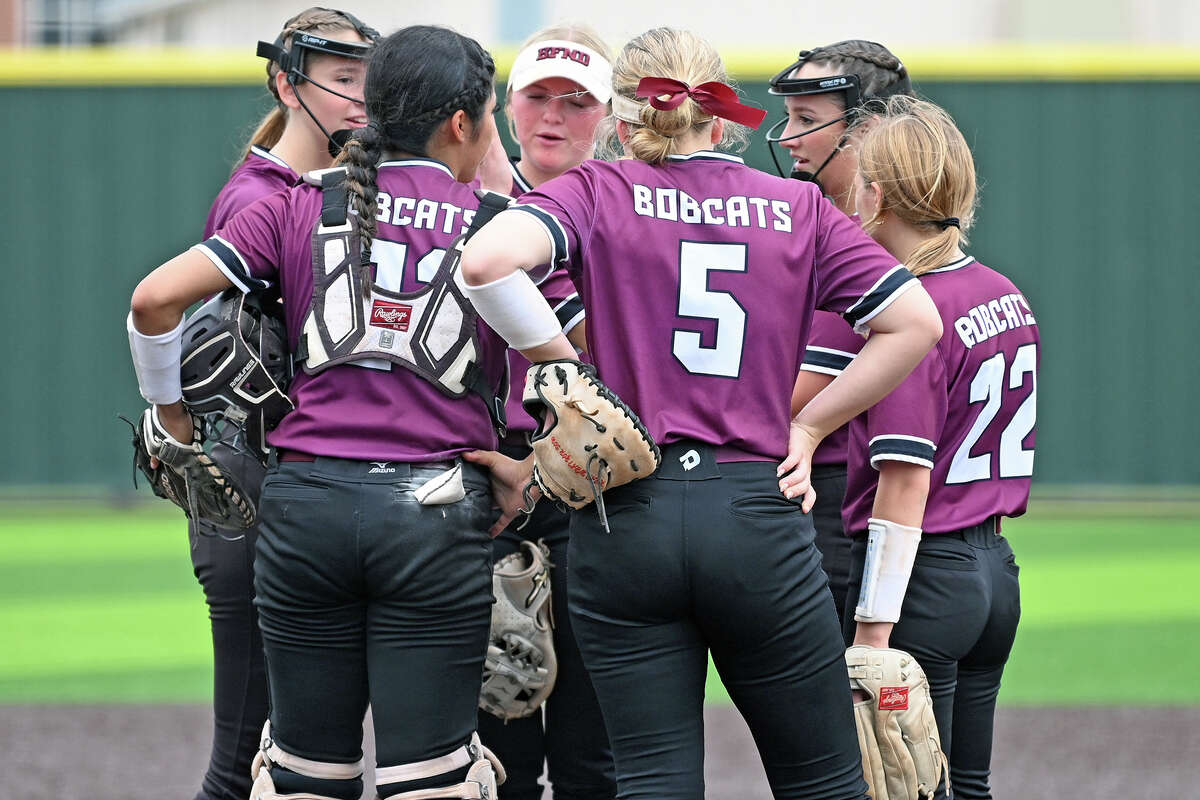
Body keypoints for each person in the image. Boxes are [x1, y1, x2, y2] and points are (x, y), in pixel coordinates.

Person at [459, 26, 944, 800]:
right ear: (720, 119)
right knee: (824, 781)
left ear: (623, 120)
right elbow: (915, 323)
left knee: (652, 780)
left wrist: (562, 367)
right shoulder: (795, 206)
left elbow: (484, 262)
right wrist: (812, 426)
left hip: (627, 518)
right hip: (755, 511)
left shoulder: (596, 190)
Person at [129, 25, 510, 800]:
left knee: (298, 775)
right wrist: (529, 466)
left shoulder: (292, 203)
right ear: (465, 122)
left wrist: (169, 420)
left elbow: (152, 299)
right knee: (432, 779)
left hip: (302, 506)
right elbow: (571, 361)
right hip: (433, 506)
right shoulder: (502, 222)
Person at [187, 9, 376, 800]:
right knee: (247, 764)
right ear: (285, 83)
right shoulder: (262, 199)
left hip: (301, 496)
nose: (360, 102)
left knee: (297, 755)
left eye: (371, 83)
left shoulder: (340, 189)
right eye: (340, 82)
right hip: (258, 488)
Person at [842, 96, 1038, 800]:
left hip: (927, 580)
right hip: (995, 575)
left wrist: (872, 632)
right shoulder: (1006, 293)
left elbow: (904, 480)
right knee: (969, 787)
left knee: (906, 790)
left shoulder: (914, 311)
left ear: (879, 194)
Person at [469, 22, 616, 800]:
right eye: (537, 96)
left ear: (609, 114)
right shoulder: (468, 205)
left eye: (576, 101)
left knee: (599, 752)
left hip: (601, 497)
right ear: (507, 106)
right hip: (495, 497)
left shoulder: (629, 212)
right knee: (500, 742)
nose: (553, 115)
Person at [769, 40, 915, 626]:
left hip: (841, 505)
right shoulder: (817, 222)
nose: (789, 137)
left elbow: (788, 396)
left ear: (868, 129)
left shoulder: (866, 244)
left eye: (808, 119)